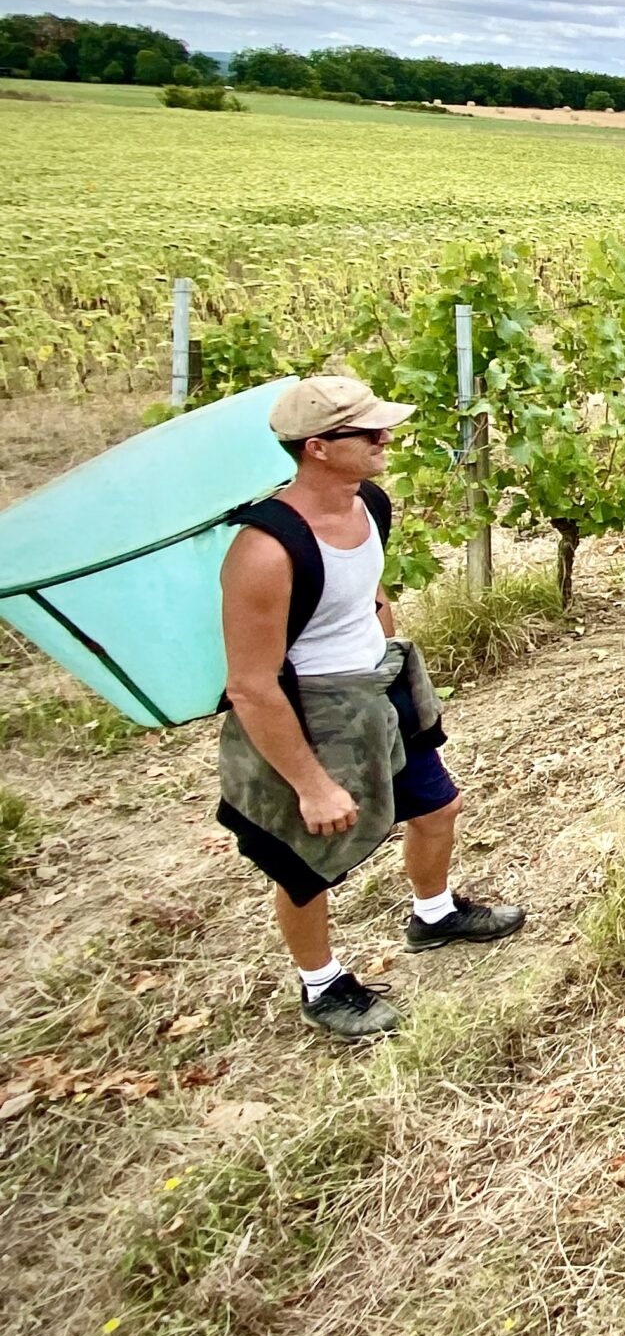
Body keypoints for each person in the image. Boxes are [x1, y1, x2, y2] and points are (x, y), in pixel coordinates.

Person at [217, 377, 525, 1039]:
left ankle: (434, 914)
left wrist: (390, 668)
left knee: (437, 807)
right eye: (369, 432)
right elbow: (250, 684)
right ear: (319, 448)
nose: (387, 438)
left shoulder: (370, 504)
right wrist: (310, 783)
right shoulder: (263, 551)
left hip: (377, 692)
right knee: (304, 861)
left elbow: (370, 595)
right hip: (314, 712)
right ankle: (321, 985)